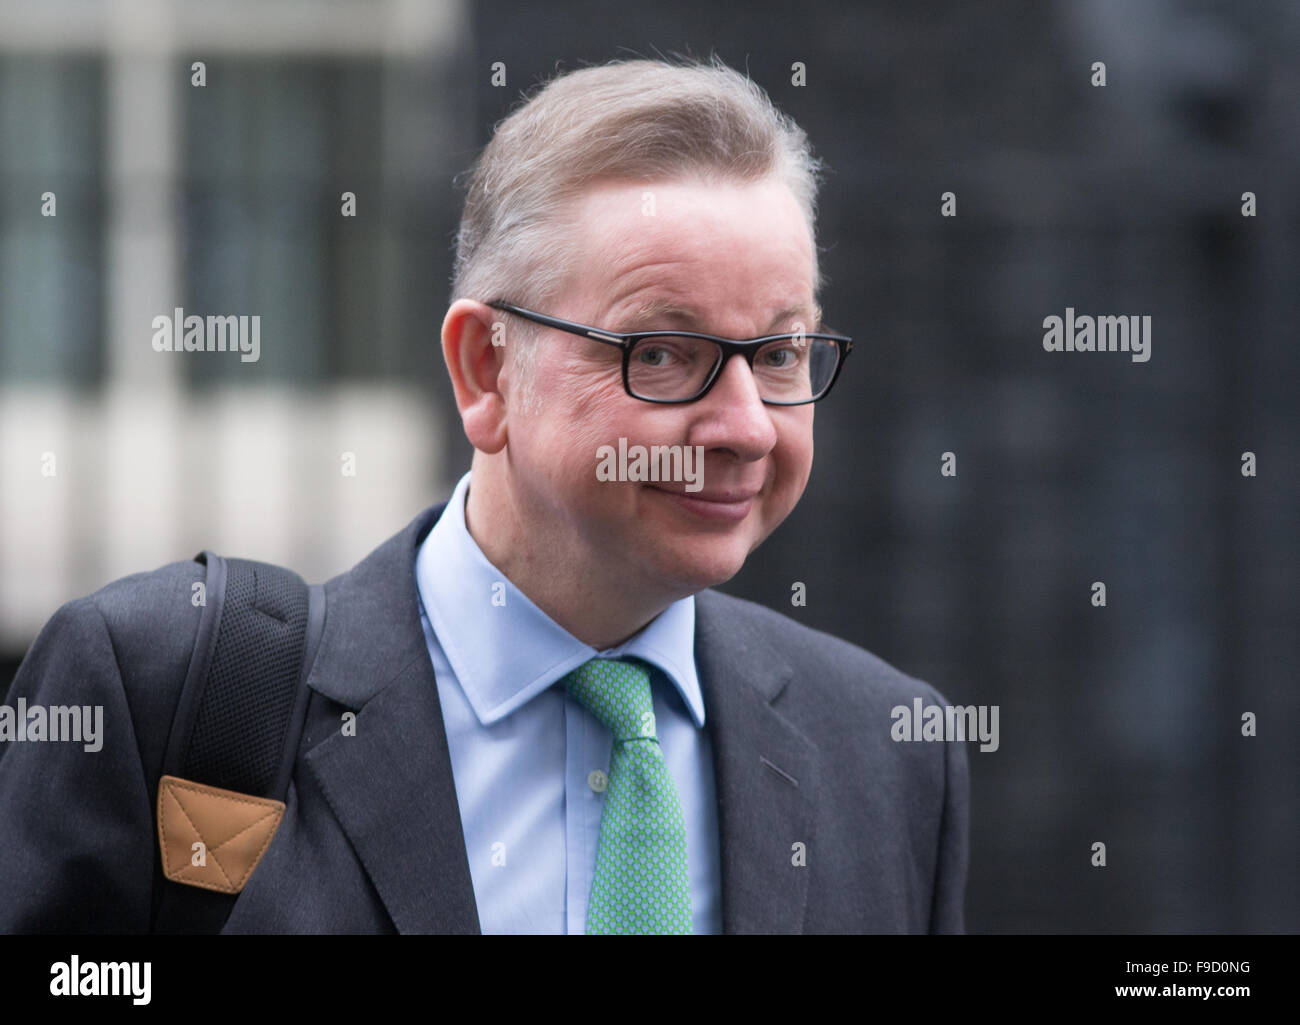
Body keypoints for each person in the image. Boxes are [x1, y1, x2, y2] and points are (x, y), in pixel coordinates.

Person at [0, 56, 967, 934]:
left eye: (780, 352)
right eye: (664, 354)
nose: (749, 426)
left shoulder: (887, 756)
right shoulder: (160, 689)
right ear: (485, 371)